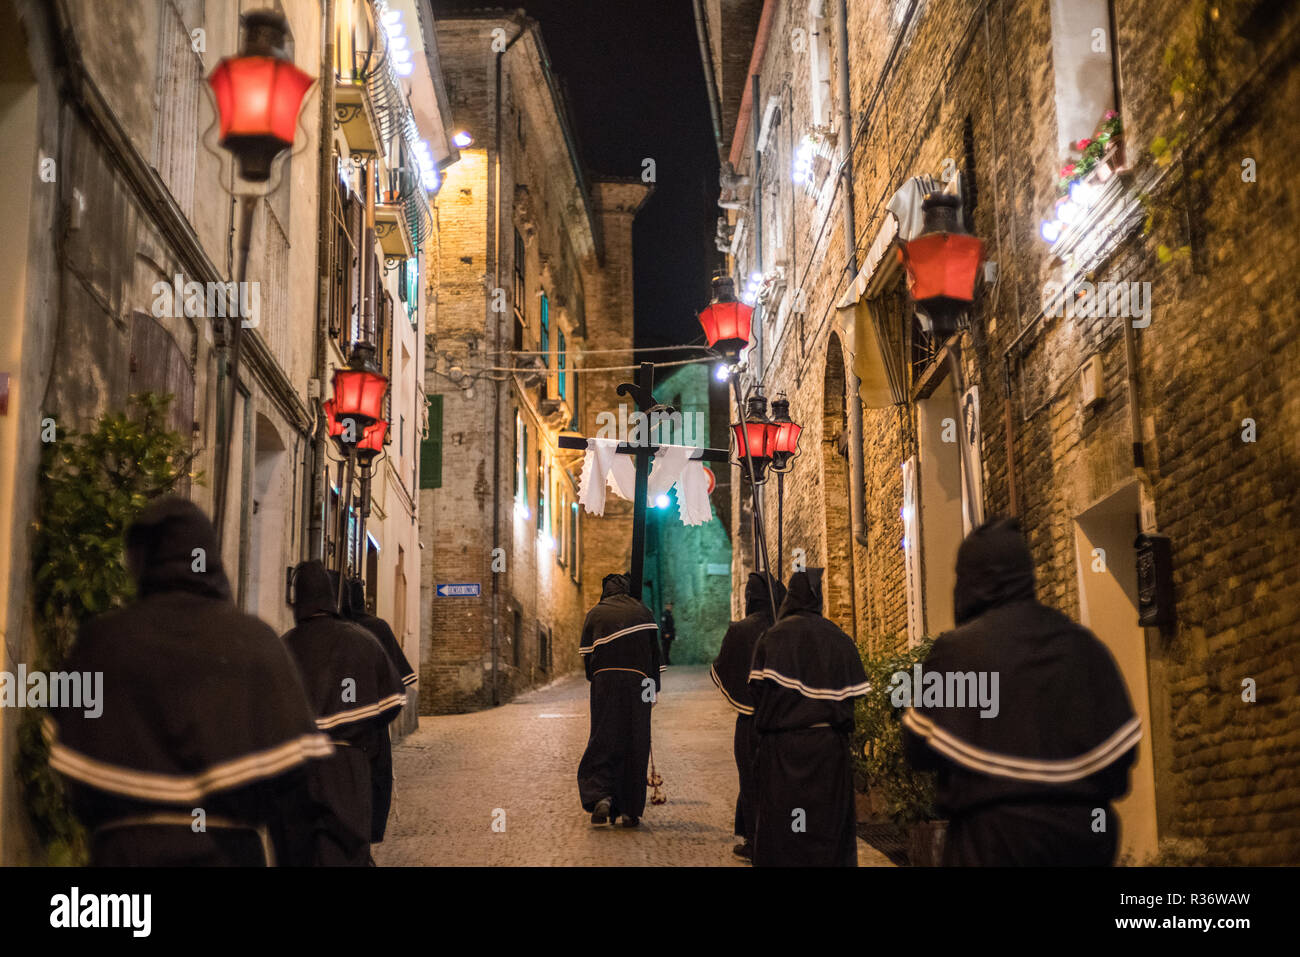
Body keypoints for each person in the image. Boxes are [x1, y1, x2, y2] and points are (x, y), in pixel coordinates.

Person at [45, 497, 336, 866]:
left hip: (124, 858)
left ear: (139, 559)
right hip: (227, 855)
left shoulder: (102, 643)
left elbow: (70, 759)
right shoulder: (256, 644)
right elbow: (295, 789)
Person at [901, 517, 1140, 866]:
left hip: (991, 841)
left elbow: (917, 750)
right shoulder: (1083, 647)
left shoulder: (957, 653)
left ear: (970, 580)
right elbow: (1120, 756)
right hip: (1082, 838)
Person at [283, 561, 406, 864]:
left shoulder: (282, 647)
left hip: (296, 770)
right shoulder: (362, 641)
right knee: (349, 852)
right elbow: (393, 700)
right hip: (347, 769)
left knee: (300, 854)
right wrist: (361, 731)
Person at [748, 568, 869, 867]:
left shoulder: (772, 639)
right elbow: (854, 698)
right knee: (827, 826)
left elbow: (757, 695)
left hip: (784, 753)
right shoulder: (839, 640)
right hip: (829, 751)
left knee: (786, 828)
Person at [577, 572, 663, 828]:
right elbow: (653, 659)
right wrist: (652, 692)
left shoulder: (595, 614)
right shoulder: (644, 613)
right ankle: (629, 809)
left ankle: (601, 795)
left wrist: (599, 682)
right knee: (635, 741)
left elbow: (588, 662)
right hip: (638, 683)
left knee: (603, 738)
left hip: (605, 683)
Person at [711, 570, 786, 861]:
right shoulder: (786, 627)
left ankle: (756, 841)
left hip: (751, 722)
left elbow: (721, 671)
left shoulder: (740, 631)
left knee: (752, 780)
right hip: (784, 723)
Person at [344, 576, 416, 845]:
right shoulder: (377, 629)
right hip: (371, 730)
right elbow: (398, 688)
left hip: (325, 737)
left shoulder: (318, 634)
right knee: (374, 785)